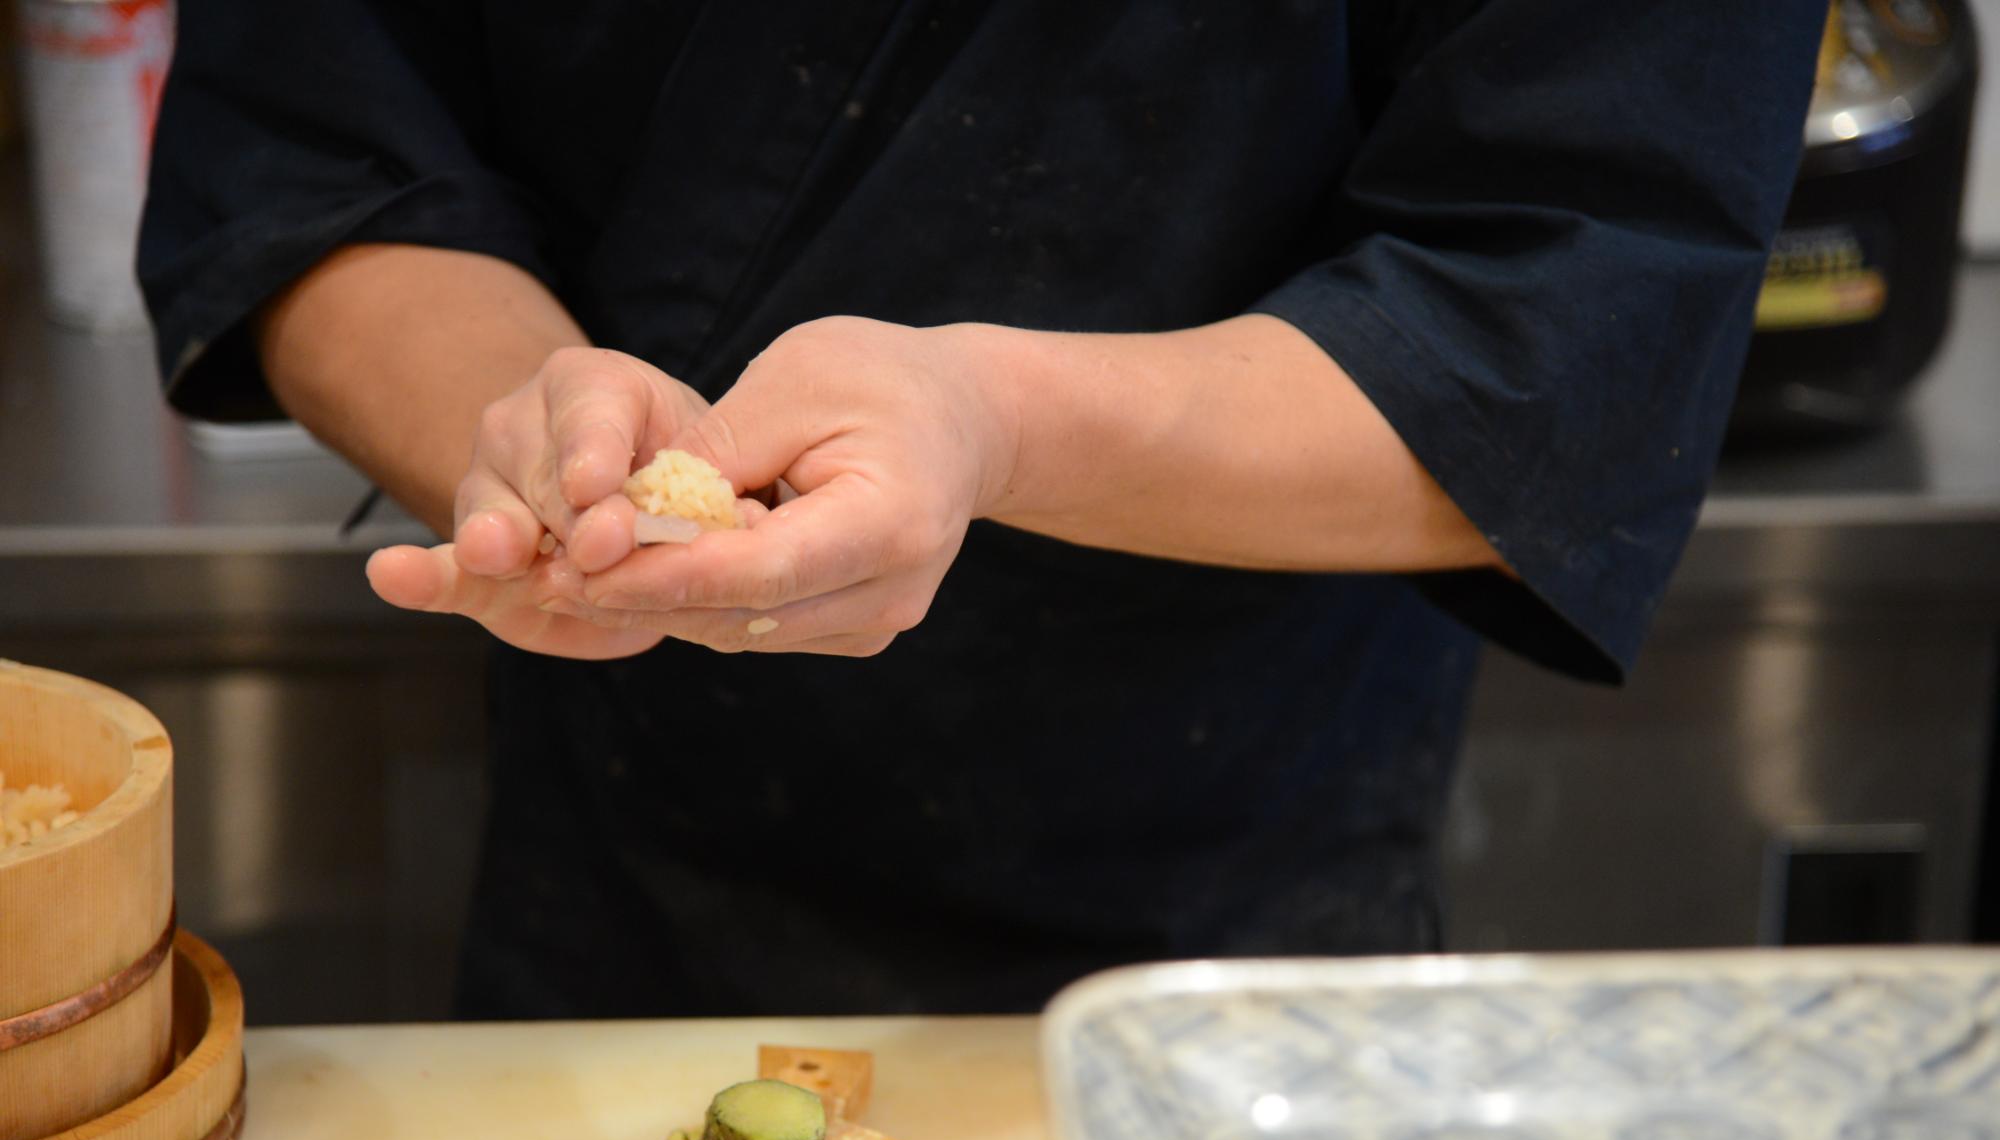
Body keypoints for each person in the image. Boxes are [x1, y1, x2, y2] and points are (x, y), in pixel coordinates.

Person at [140, 3, 1825, 1019]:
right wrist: (549, 453)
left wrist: (989, 423)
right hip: (617, 839)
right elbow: (317, 149)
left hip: (1232, 873)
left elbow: (1565, 319)